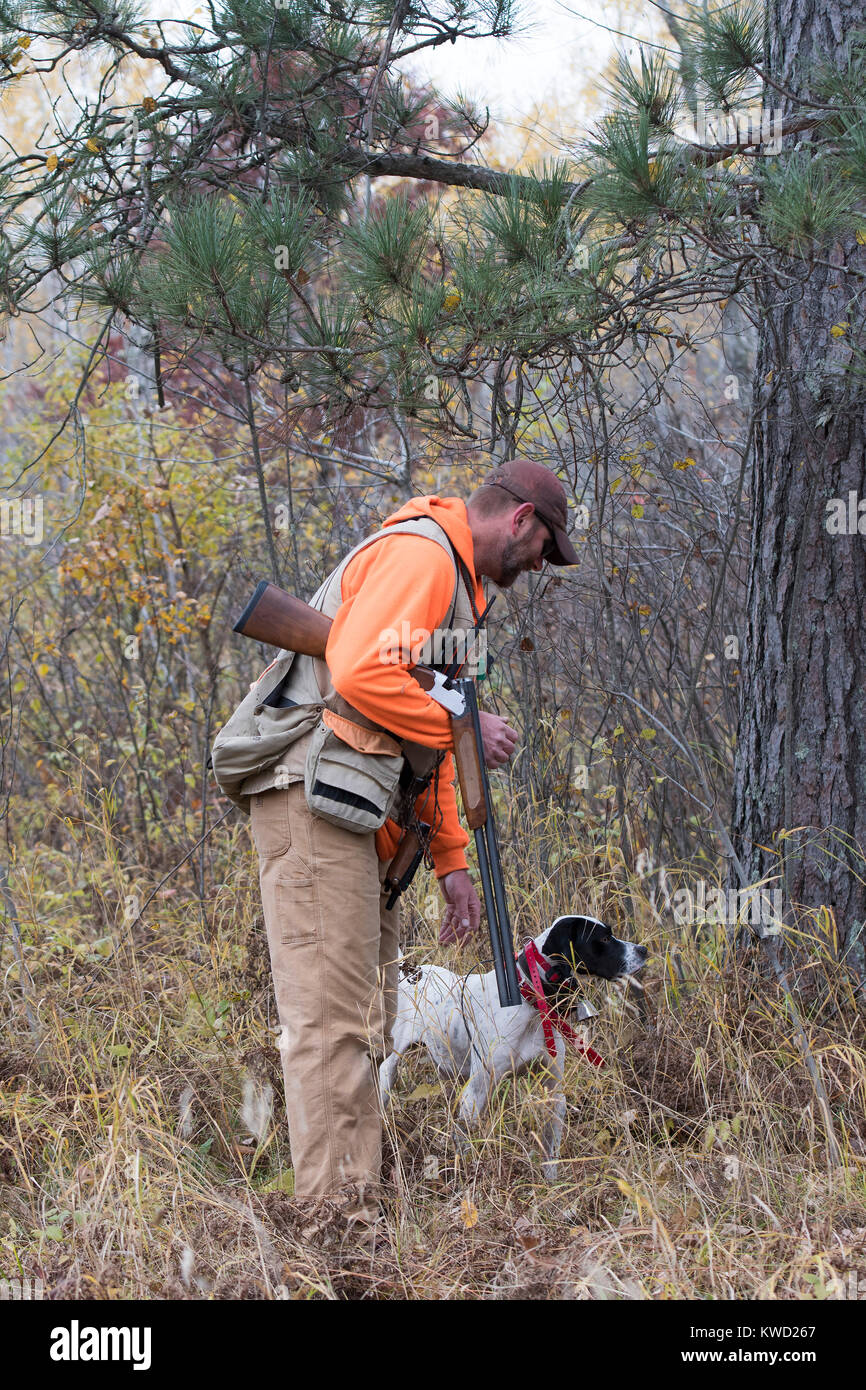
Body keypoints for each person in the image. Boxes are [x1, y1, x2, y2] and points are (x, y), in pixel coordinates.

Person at [242, 458, 579, 1230]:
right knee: (331, 1024)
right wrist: (468, 725)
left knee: (370, 1019)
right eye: (543, 548)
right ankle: (334, 1224)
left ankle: (355, 1203)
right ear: (520, 520)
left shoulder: (462, 591)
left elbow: (416, 722)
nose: (542, 566)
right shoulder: (426, 556)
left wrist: (453, 862)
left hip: (366, 823)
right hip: (314, 802)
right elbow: (363, 673)